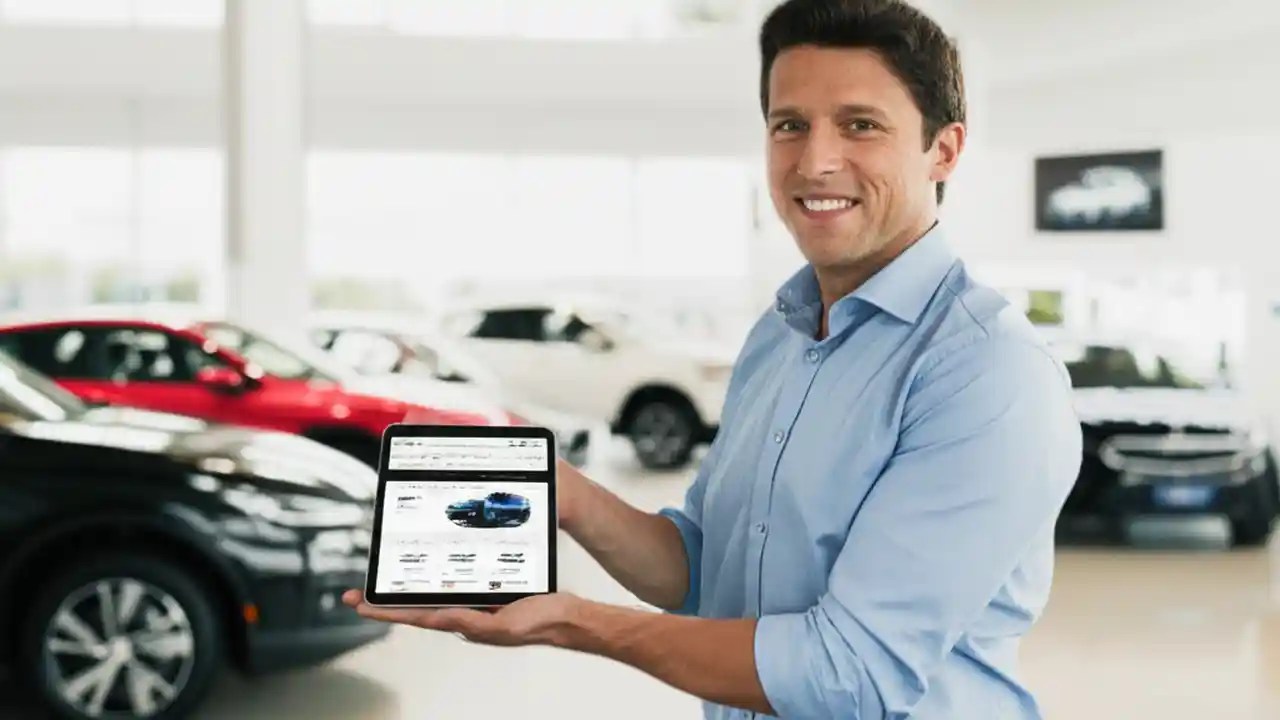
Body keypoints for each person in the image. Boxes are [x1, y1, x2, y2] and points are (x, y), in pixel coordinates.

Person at [343, 0, 1083, 717]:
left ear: (943, 149)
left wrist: (574, 623)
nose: (816, 160)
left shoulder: (988, 373)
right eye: (789, 125)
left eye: (861, 125)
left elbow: (849, 674)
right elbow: (699, 570)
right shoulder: (781, 336)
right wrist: (556, 489)